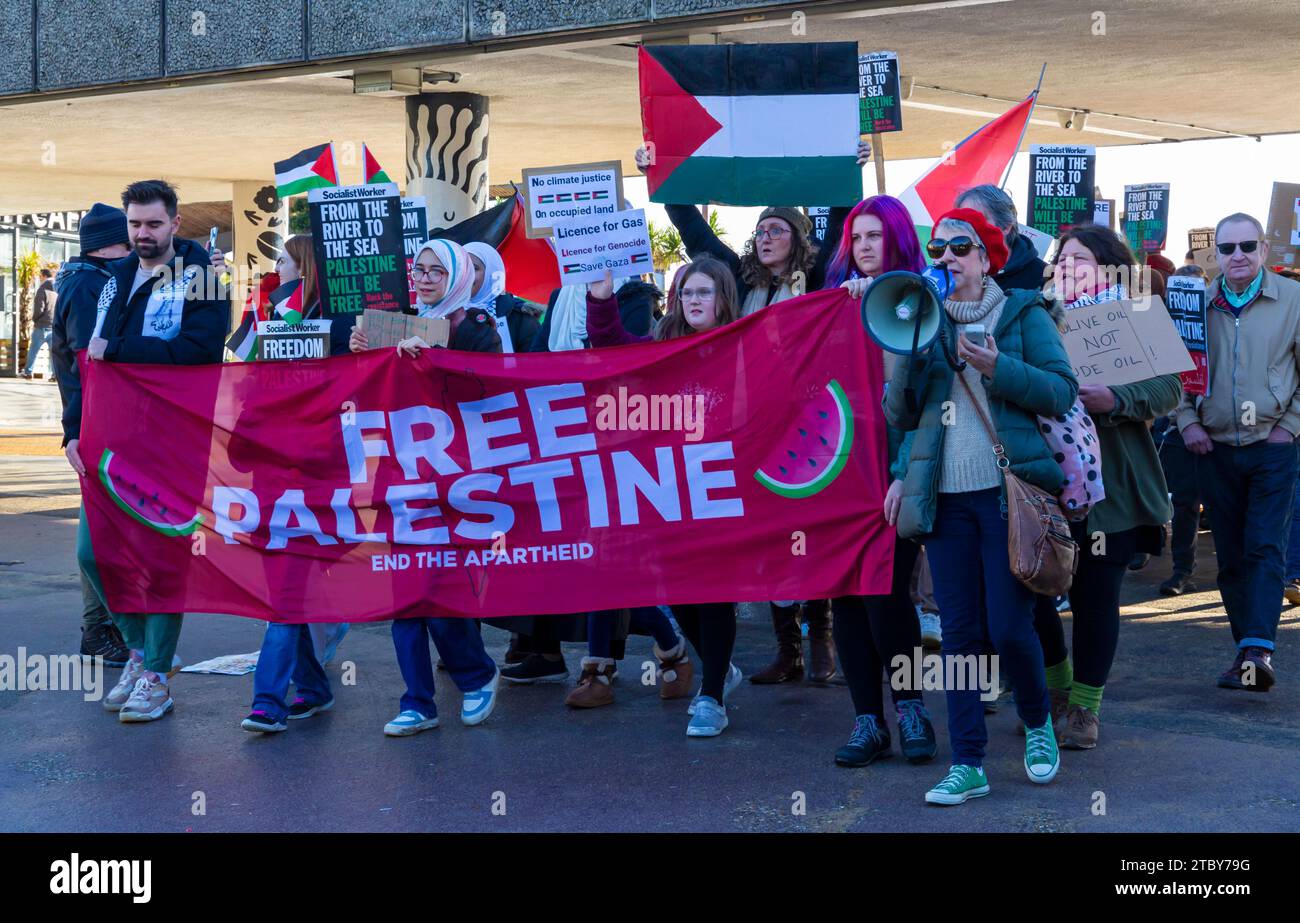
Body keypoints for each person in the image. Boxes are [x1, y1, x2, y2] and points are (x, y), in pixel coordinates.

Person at [886, 207, 1077, 805]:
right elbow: (904, 414)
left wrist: (1000, 368)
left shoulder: (1023, 312)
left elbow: (1061, 391)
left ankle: (1039, 721)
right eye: (938, 248)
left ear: (988, 256)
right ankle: (968, 760)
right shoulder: (924, 317)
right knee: (959, 634)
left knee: (1008, 626)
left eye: (960, 247)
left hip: (1006, 494)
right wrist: (903, 351)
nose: (946, 257)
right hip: (945, 497)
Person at [1031, 225, 1181, 749]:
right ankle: (1056, 687)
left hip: (1113, 486)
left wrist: (1115, 399)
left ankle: (1085, 710)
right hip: (1042, 482)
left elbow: (1170, 389)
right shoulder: (1034, 316)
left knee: (1095, 600)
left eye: (1081, 259)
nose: (1068, 267)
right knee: (1033, 594)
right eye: (1062, 259)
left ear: (1110, 267)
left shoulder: (1139, 315)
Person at [86, 179, 228, 723]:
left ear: (175, 223)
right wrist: (75, 429)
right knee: (93, 553)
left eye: (152, 224)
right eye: (134, 224)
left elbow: (198, 352)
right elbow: (90, 359)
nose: (142, 234)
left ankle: (156, 677)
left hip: (172, 442)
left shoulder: (204, 279)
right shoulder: (115, 276)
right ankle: (139, 650)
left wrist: (120, 349)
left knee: (164, 557)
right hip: (110, 439)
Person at [585, 257, 744, 736]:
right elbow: (612, 347)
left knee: (715, 593)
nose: (694, 301)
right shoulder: (660, 343)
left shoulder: (743, 343)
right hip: (668, 490)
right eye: (687, 292)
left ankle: (712, 695)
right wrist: (601, 296)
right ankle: (720, 669)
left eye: (704, 292)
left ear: (723, 299)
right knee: (681, 593)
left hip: (720, 486)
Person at [350, 237, 503, 734]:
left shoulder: (477, 326)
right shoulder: (396, 323)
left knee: (437, 589)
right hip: (403, 474)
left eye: (438, 271)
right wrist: (362, 356)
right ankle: (417, 700)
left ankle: (477, 675)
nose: (425, 278)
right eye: (420, 269)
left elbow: (486, 392)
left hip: (456, 477)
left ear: (458, 275)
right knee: (405, 595)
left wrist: (432, 358)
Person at [822, 194, 938, 767]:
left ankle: (910, 707)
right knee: (845, 596)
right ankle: (868, 719)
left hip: (896, 476)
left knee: (889, 598)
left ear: (895, 238)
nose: (864, 248)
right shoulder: (832, 304)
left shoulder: (919, 301)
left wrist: (902, 476)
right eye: (857, 238)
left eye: (875, 236)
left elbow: (918, 403)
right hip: (840, 477)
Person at [1175, 213, 1300, 692]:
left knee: (1266, 548)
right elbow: (1178, 374)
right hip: (1214, 449)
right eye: (1227, 249)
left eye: (1247, 245)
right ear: (1216, 256)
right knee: (1229, 557)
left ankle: (1257, 650)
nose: (1237, 256)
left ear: (1264, 250)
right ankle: (1246, 652)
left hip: (1272, 448)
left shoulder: (1291, 299)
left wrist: (1288, 428)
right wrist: (1187, 423)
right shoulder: (1195, 303)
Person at [240, 234, 348, 734]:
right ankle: (314, 687)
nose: (276, 268)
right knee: (289, 592)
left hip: (313, 486)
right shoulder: (266, 327)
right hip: (269, 484)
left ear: (303, 267)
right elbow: (244, 427)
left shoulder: (344, 329)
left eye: (282, 260)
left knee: (284, 595)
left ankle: (268, 701)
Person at [51, 203, 132, 667]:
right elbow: (88, 366)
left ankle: (104, 626)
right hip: (96, 426)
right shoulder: (88, 285)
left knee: (106, 527)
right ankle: (97, 629)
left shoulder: (92, 278)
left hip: (98, 424)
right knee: (100, 531)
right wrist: (78, 431)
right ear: (111, 244)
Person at [954, 184, 1046, 292]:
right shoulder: (952, 273)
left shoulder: (1045, 278)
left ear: (1006, 226)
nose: (967, 228)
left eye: (977, 219)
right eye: (962, 221)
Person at [463, 240, 541, 352]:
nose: (466, 275)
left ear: (491, 273)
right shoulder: (445, 312)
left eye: (474, 268)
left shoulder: (520, 317)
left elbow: (534, 365)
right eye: (462, 268)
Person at [22, 268, 57, 378]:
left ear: (44, 276)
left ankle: (28, 372)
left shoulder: (42, 288)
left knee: (33, 351)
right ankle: (55, 375)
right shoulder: (58, 287)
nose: (40, 279)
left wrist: (35, 319)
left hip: (42, 326)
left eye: (40, 276)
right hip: (54, 326)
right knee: (54, 354)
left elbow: (39, 309)